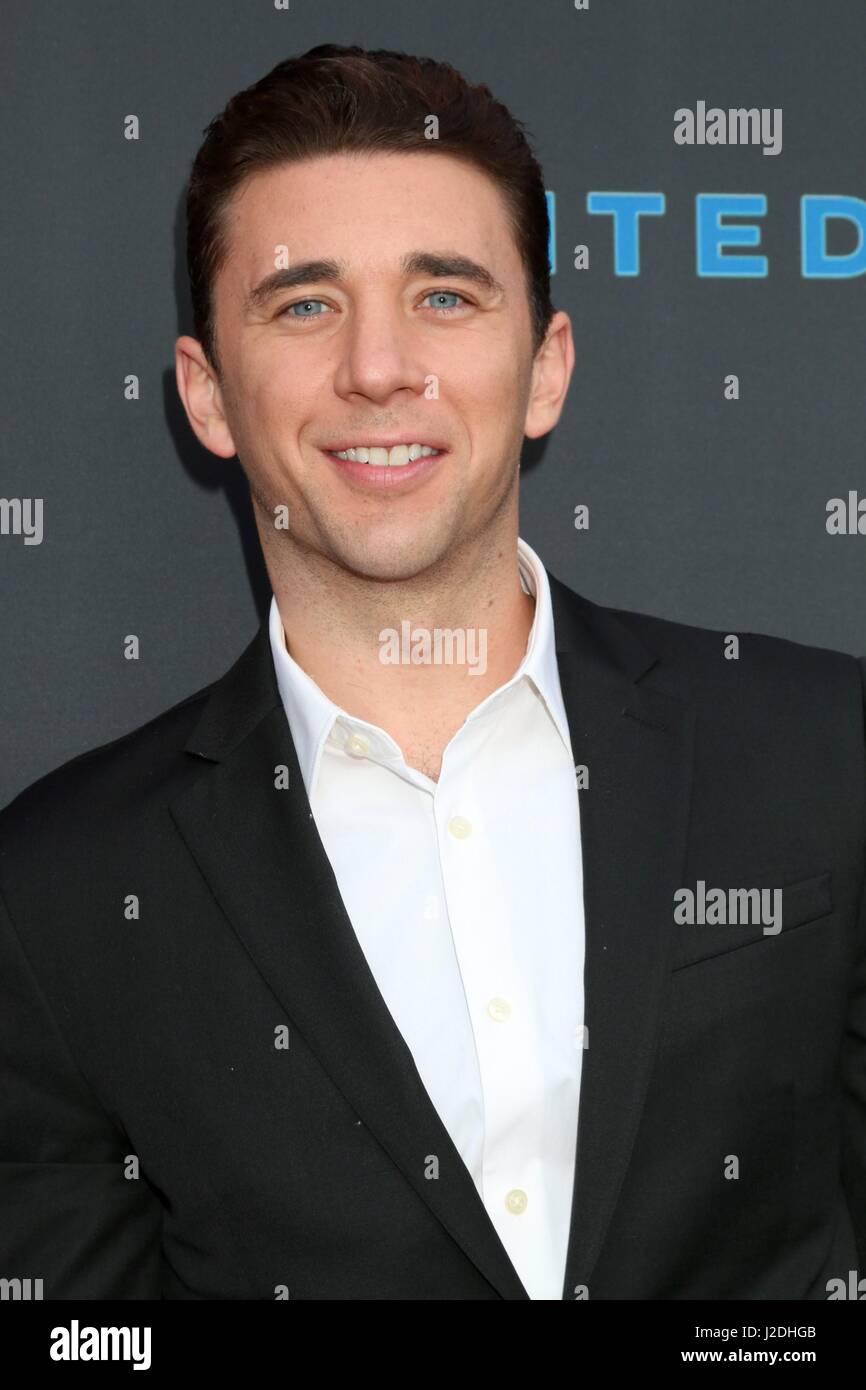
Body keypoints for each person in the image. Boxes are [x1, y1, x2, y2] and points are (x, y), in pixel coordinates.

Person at [1, 43, 863, 1301]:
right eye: (304, 305)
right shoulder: (56, 894)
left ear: (545, 368)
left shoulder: (823, 753)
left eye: (444, 297)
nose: (376, 367)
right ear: (207, 394)